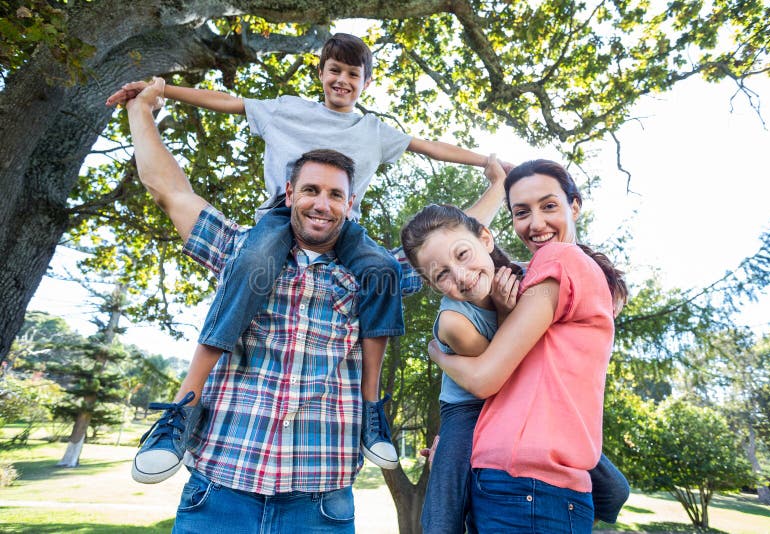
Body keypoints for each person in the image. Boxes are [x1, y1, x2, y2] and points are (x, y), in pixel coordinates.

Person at [106, 33, 505, 480]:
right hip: (222, 473)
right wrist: (152, 98)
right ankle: (184, 406)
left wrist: (494, 173)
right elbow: (188, 162)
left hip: (323, 483)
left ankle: (372, 409)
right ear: (292, 190)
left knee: (383, 272)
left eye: (353, 73)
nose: (342, 80)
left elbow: (453, 220)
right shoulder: (285, 118)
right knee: (252, 263)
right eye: (310, 190)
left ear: (350, 202)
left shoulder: (372, 142)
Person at [403, 159, 629, 533]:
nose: (461, 275)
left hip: (523, 418)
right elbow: (495, 374)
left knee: (615, 489)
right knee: (445, 501)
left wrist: (437, 355)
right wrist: (444, 349)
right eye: (441, 274)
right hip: (468, 408)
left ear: (486, 240)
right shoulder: (454, 321)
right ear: (431, 283)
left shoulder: (532, 272)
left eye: (462, 255)